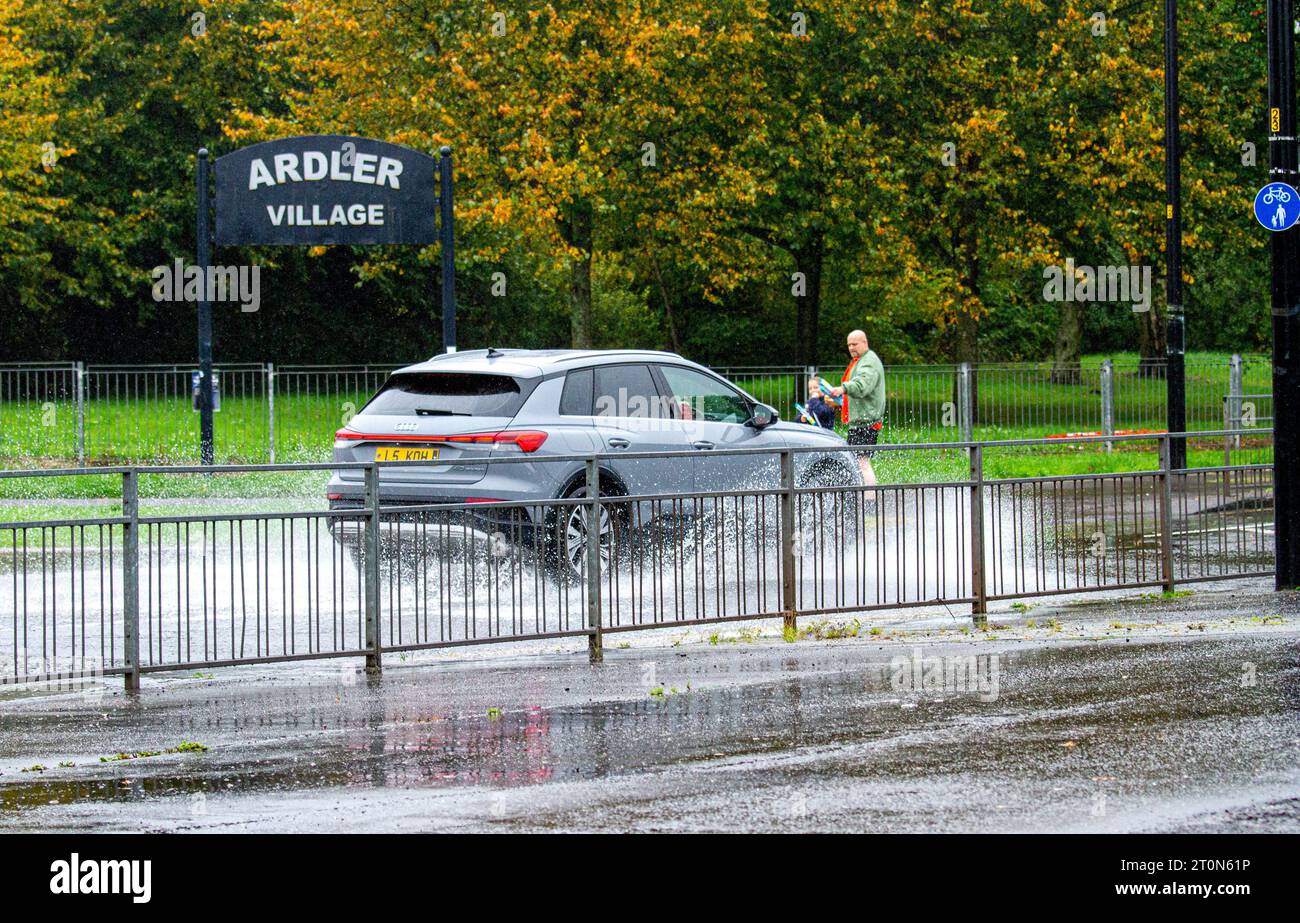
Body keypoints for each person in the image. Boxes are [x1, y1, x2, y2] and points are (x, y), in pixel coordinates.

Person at [830, 329, 885, 488]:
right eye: (848, 345)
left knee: (862, 463)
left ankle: (868, 500)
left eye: (855, 344)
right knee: (857, 461)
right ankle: (862, 496)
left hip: (866, 421)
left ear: (865, 343)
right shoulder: (860, 360)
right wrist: (838, 402)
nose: (851, 348)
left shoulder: (868, 361)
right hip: (861, 420)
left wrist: (843, 388)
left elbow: (862, 386)